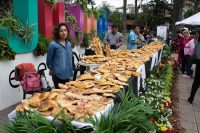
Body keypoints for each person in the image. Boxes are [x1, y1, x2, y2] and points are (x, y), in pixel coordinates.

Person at [46, 23, 73, 89]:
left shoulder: (68, 44)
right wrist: (53, 70)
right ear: (57, 32)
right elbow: (48, 61)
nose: (64, 32)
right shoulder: (53, 45)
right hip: (58, 76)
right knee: (60, 96)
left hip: (68, 74)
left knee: (67, 95)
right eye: (61, 31)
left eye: (65, 30)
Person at [188, 29, 200, 104]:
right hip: (198, 63)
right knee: (196, 82)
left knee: (196, 82)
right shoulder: (196, 42)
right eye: (196, 34)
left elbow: (197, 54)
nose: (196, 35)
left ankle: (191, 98)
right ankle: (191, 98)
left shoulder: (197, 42)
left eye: (197, 34)